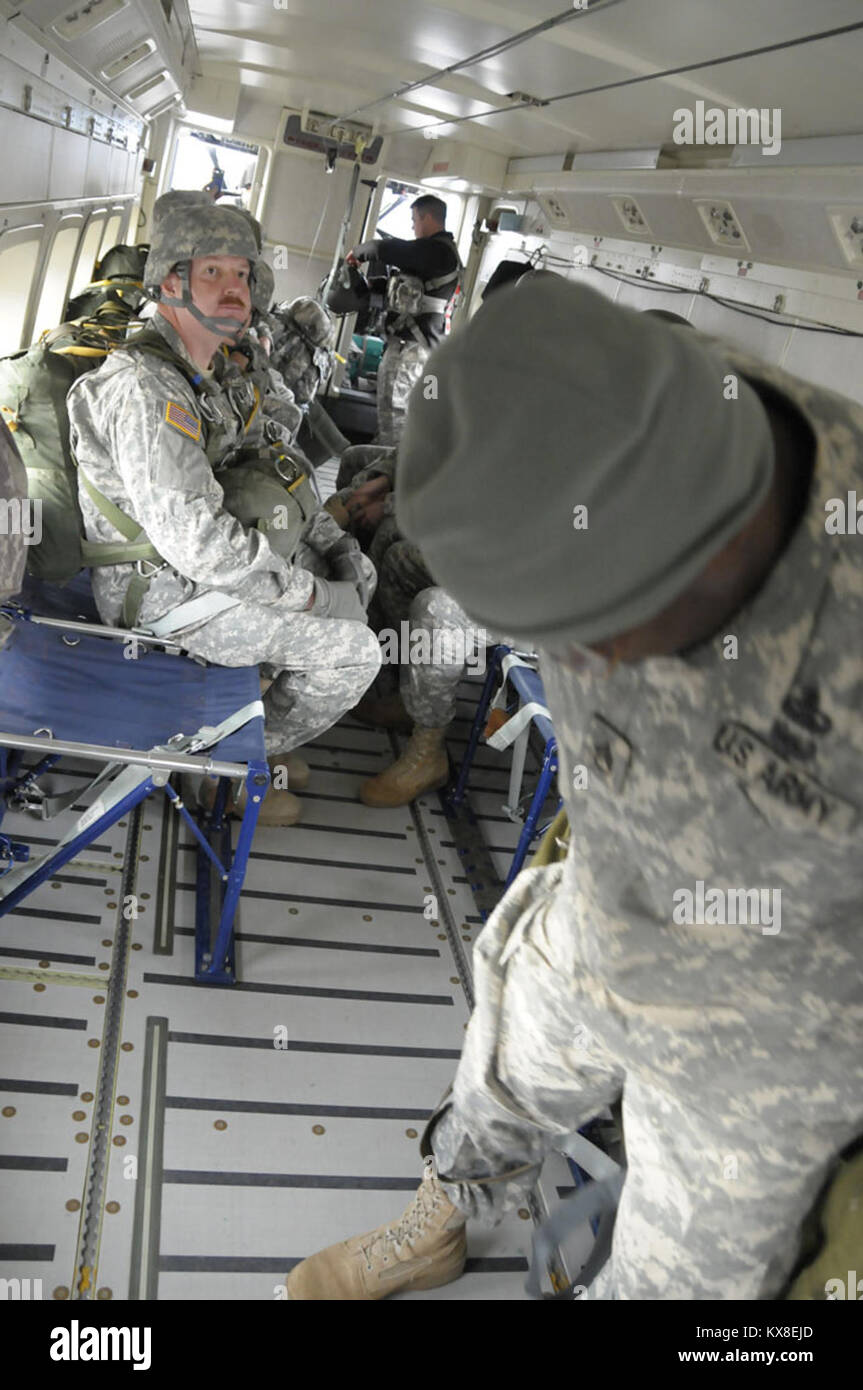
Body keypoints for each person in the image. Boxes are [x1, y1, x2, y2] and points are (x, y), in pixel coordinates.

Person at [286, 275, 863, 1299]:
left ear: (704, 548)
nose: (577, 666)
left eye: (593, 632)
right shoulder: (626, 406)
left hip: (777, 1035)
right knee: (498, 1073)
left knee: (680, 1284)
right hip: (609, 902)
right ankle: (443, 1216)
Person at [67, 200, 380, 827]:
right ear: (173, 282)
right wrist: (314, 597)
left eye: (242, 275)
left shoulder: (205, 374)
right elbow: (199, 546)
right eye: (214, 273)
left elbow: (273, 470)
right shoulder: (148, 389)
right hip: (157, 591)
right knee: (355, 653)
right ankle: (230, 772)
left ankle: (243, 738)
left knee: (328, 573)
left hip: (190, 572)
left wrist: (335, 547)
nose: (235, 289)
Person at [346, 194, 461, 444]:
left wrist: (358, 253)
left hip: (410, 351)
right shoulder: (434, 256)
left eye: (414, 220)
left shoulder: (438, 251)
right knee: (403, 416)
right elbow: (405, 287)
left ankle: (391, 473)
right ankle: (386, 462)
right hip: (422, 351)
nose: (412, 226)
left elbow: (382, 248)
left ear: (428, 217)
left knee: (394, 415)